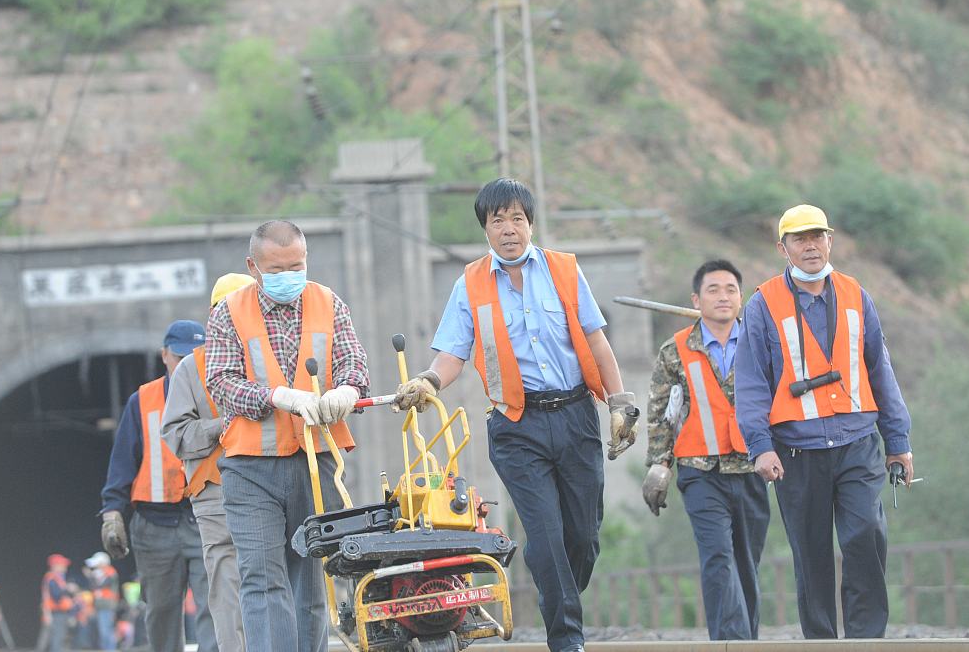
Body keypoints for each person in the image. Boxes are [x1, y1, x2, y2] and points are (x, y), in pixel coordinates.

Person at [393, 178, 637, 652]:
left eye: (517, 219)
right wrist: (427, 380)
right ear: (485, 229)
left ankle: (558, 596)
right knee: (544, 537)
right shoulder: (470, 283)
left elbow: (595, 339)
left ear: (531, 223)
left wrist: (620, 400)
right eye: (497, 220)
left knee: (583, 538)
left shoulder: (565, 271)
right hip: (516, 425)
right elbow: (452, 353)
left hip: (575, 415)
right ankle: (567, 640)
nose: (509, 229)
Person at [734, 204, 914, 639]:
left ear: (830, 240)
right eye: (800, 238)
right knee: (811, 555)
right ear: (783, 248)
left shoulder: (856, 294)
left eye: (818, 236)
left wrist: (898, 440)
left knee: (866, 536)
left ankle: (866, 641)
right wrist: (760, 446)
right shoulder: (762, 305)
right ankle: (820, 643)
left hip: (857, 444)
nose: (811, 245)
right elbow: (752, 382)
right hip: (798, 452)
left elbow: (880, 369)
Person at [205, 220, 370, 652]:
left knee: (308, 578)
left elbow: (353, 361)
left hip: (315, 462)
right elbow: (221, 381)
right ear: (253, 266)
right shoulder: (229, 312)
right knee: (262, 578)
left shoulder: (329, 303)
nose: (288, 277)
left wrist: (347, 390)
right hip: (251, 469)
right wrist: (277, 396)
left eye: (297, 265)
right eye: (276, 269)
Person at [641, 259, 770, 640]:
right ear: (696, 299)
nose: (723, 296)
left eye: (730, 289)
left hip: (752, 468)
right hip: (700, 472)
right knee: (718, 558)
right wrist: (658, 466)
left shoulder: (761, 343)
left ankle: (746, 641)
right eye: (713, 289)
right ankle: (731, 644)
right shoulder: (675, 350)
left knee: (746, 564)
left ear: (741, 298)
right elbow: (660, 413)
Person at [99, 321, 218, 652]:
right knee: (161, 610)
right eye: (179, 357)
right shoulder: (143, 400)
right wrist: (113, 513)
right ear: (164, 355)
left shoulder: (217, 394)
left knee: (214, 605)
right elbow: (122, 461)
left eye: (194, 357)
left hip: (204, 516)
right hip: (154, 525)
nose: (186, 365)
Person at [162, 273, 255, 652]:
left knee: (279, 572)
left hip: (273, 481)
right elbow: (175, 434)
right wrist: (222, 427)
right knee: (227, 579)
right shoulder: (190, 369)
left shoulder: (273, 358)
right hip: (215, 490)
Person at [84, 553, 119, 651]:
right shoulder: (100, 574)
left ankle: (110, 650)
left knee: (106, 631)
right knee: (102, 631)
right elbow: (93, 588)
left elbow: (101, 585)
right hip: (100, 606)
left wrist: (90, 576)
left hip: (107, 605)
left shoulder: (111, 573)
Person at [40, 555, 76, 652]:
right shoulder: (51, 578)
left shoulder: (59, 578)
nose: (65, 566)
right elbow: (56, 595)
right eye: (62, 564)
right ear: (55, 566)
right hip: (55, 612)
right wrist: (67, 589)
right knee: (56, 638)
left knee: (56, 637)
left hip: (59, 612)